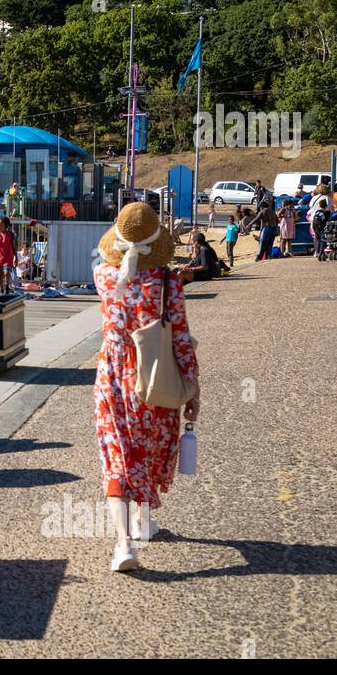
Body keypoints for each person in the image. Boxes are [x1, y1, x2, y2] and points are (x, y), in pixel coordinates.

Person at [93, 203, 199, 573]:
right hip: (152, 374)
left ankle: (123, 543)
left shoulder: (102, 277)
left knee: (116, 454)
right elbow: (181, 339)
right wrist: (193, 387)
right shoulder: (168, 284)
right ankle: (143, 520)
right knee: (149, 445)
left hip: (111, 374)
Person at [0, 216, 16, 294]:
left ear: (6, 225)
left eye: (1, 225)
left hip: (8, 256)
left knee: (6, 272)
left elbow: (13, 246)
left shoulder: (10, 235)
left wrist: (16, 256)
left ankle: (7, 287)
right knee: (0, 273)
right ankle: (1, 289)